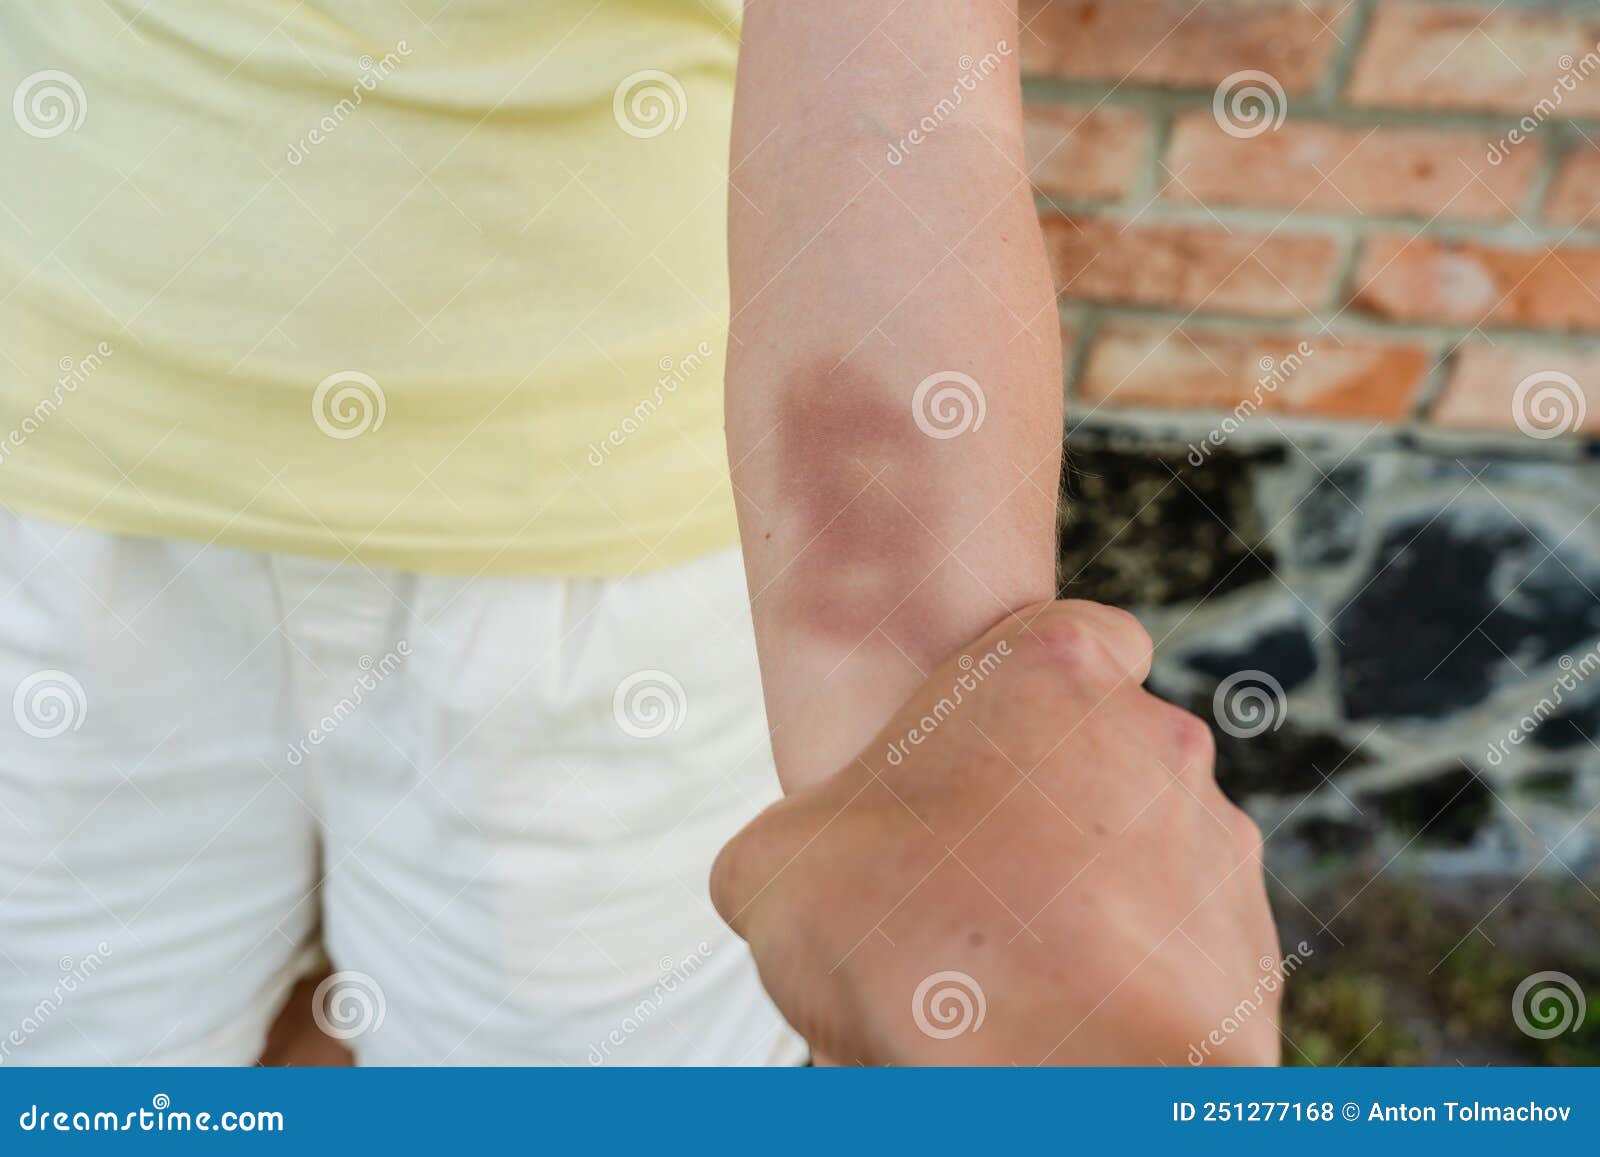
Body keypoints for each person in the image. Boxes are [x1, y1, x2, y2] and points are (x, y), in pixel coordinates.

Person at [0, 1, 1278, 1066]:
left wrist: (940, 753)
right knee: (72, 1060)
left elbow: (885, 103)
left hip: (618, 548)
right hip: (51, 461)